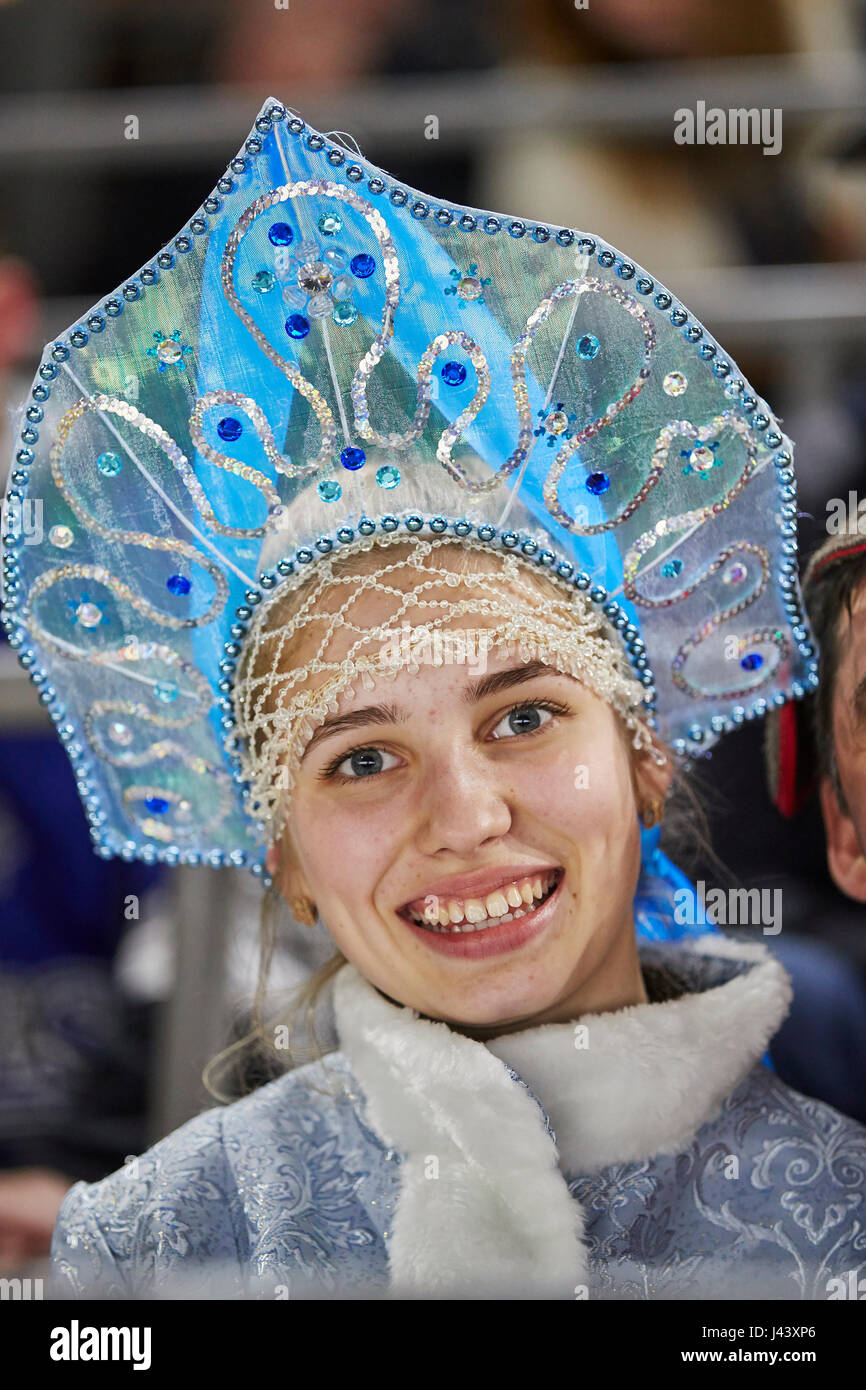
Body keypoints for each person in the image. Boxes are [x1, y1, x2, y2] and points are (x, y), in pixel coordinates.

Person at [4, 97, 861, 1299]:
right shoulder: (147, 1253)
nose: (461, 817)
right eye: (359, 756)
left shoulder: (844, 1230)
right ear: (286, 856)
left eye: (520, 716)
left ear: (647, 753)